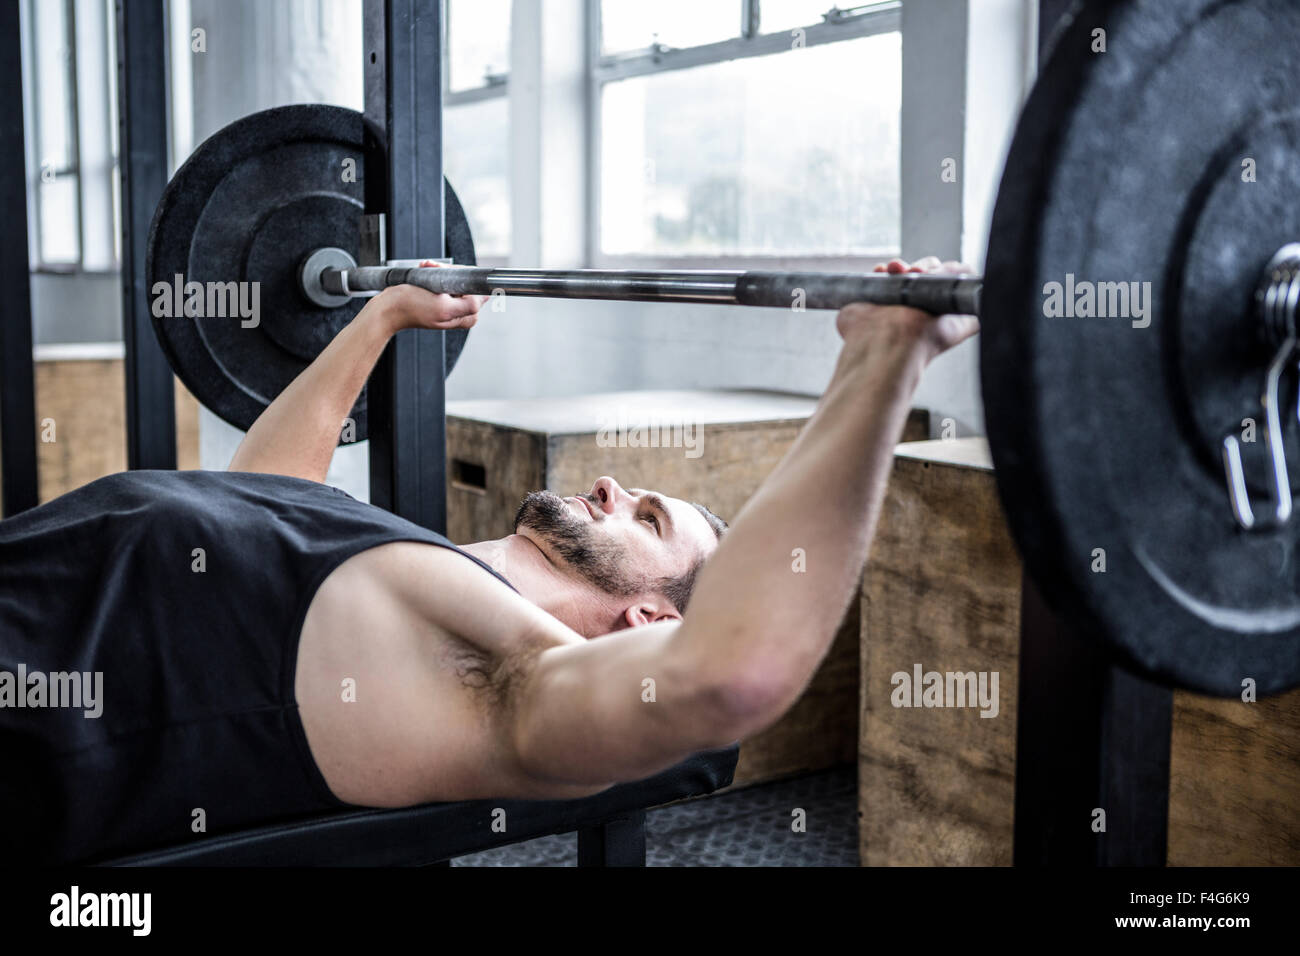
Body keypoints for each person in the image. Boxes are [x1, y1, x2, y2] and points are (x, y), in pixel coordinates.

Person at [0, 258, 976, 863]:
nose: (610, 485)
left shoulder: (509, 681)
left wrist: (882, 361)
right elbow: (259, 496)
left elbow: (729, 676)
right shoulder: (420, 578)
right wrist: (379, 318)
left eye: (645, 518)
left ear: (651, 618)